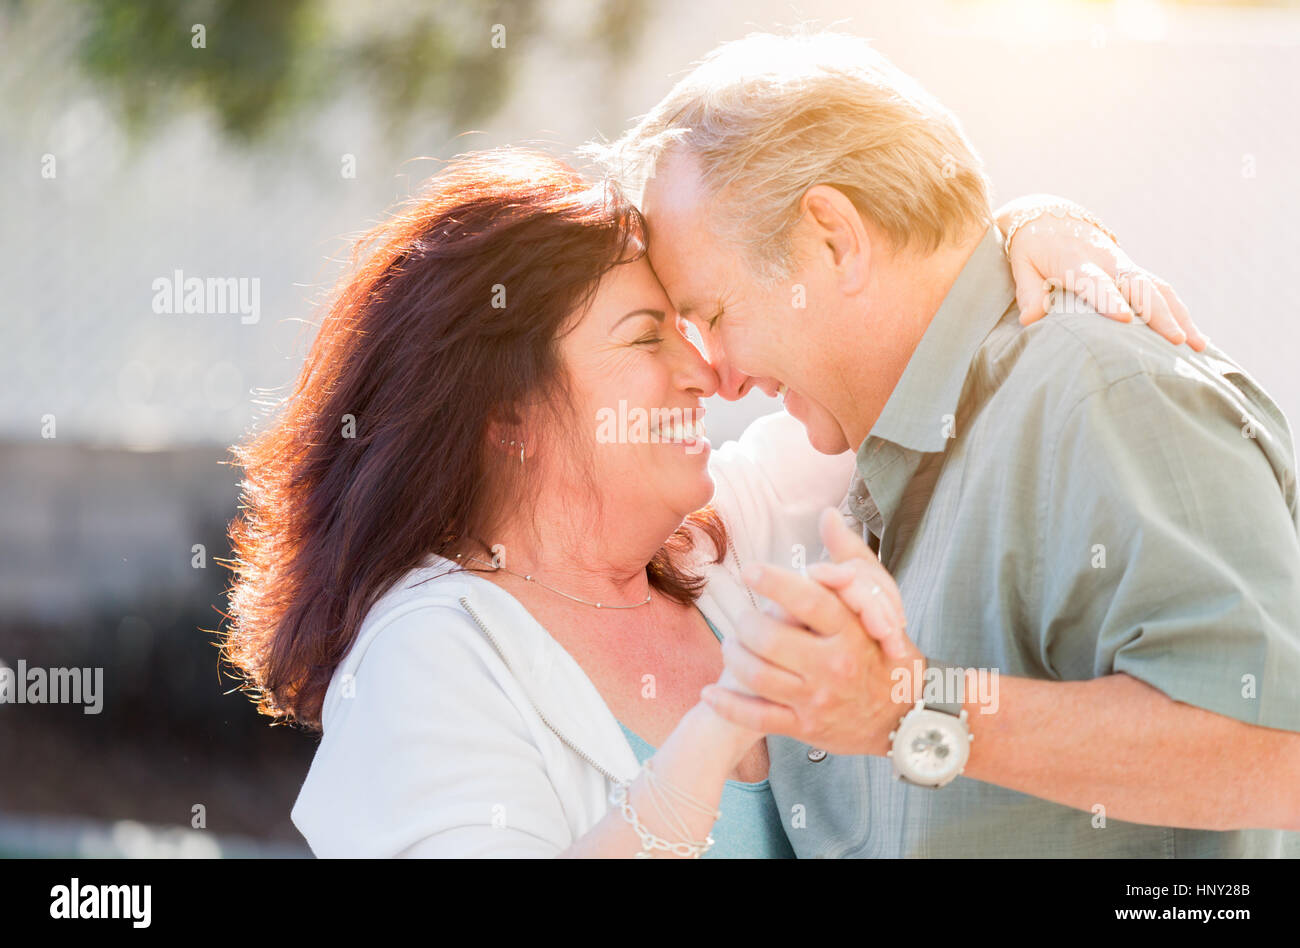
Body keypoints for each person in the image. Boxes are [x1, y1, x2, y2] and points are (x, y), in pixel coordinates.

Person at [221, 143, 1198, 857]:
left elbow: (894, 372)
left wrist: (1029, 227)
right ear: (506, 415)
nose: (702, 371)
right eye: (647, 338)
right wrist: (722, 726)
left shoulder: (724, 539)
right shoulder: (427, 659)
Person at [604, 30, 1300, 856]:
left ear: (833, 238)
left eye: (713, 317)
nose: (718, 377)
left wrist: (909, 710)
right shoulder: (878, 461)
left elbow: (1275, 750)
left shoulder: (1096, 392)